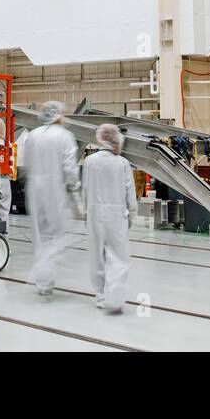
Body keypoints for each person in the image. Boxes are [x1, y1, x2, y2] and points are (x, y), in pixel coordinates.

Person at [22, 101, 81, 296]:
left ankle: (43, 283)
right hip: (54, 190)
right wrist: (75, 190)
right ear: (57, 115)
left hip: (34, 189)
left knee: (40, 235)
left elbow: (26, 163)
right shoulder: (65, 136)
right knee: (58, 235)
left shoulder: (32, 135)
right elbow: (70, 168)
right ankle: (43, 272)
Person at [82, 123, 137, 314]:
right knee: (118, 257)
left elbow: (85, 190)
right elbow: (131, 193)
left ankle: (100, 295)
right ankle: (115, 297)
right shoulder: (121, 163)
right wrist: (132, 215)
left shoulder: (90, 161)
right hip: (117, 214)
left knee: (97, 256)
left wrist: (85, 215)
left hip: (94, 213)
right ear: (116, 140)